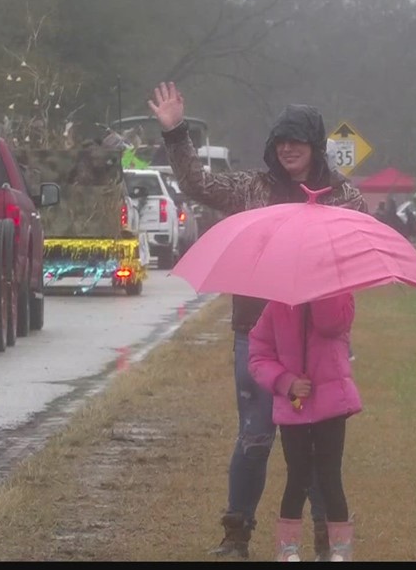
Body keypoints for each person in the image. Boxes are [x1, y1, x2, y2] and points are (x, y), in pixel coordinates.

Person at [147, 81, 367, 560]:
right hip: (257, 332)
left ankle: (326, 542)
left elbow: (356, 259)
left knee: (318, 447)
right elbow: (198, 185)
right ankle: (236, 534)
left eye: (298, 141)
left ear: (315, 144)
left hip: (318, 337)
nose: (288, 149)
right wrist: (175, 133)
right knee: (256, 433)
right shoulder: (253, 188)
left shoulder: (344, 197)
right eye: (280, 141)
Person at [248, 292, 361, 562]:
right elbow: (258, 354)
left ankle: (339, 549)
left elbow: (331, 324)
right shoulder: (276, 306)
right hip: (294, 406)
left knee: (330, 476)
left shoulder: (340, 296)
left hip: (331, 404)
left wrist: (320, 295)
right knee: (297, 476)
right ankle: (288, 548)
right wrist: (286, 382)